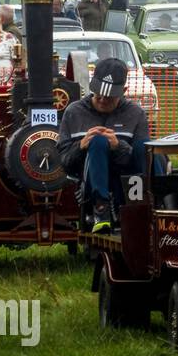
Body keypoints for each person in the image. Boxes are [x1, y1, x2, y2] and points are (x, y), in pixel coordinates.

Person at [58, 58, 149, 233]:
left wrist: (118, 146)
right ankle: (101, 209)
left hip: (126, 180)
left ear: (123, 91)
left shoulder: (136, 113)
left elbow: (141, 156)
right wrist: (81, 145)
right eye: (98, 93)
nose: (102, 99)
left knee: (146, 146)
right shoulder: (74, 112)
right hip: (89, 181)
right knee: (98, 141)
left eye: (110, 97)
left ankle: (149, 204)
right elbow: (64, 162)